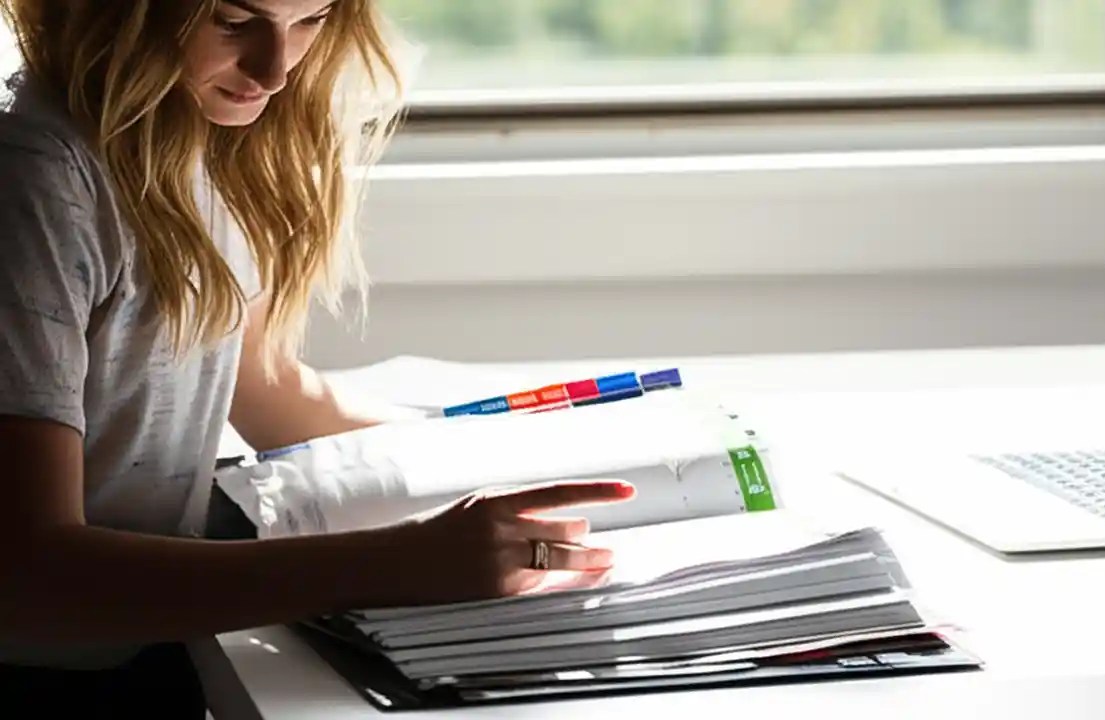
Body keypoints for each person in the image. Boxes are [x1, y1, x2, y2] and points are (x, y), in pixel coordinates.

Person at [0, 0, 634, 715]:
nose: (274, 71)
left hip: (149, 647)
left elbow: (266, 386)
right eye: (234, 22)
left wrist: (508, 453)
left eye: (311, 18)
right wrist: (399, 563)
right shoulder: (35, 177)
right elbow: (26, 578)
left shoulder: (185, 128)